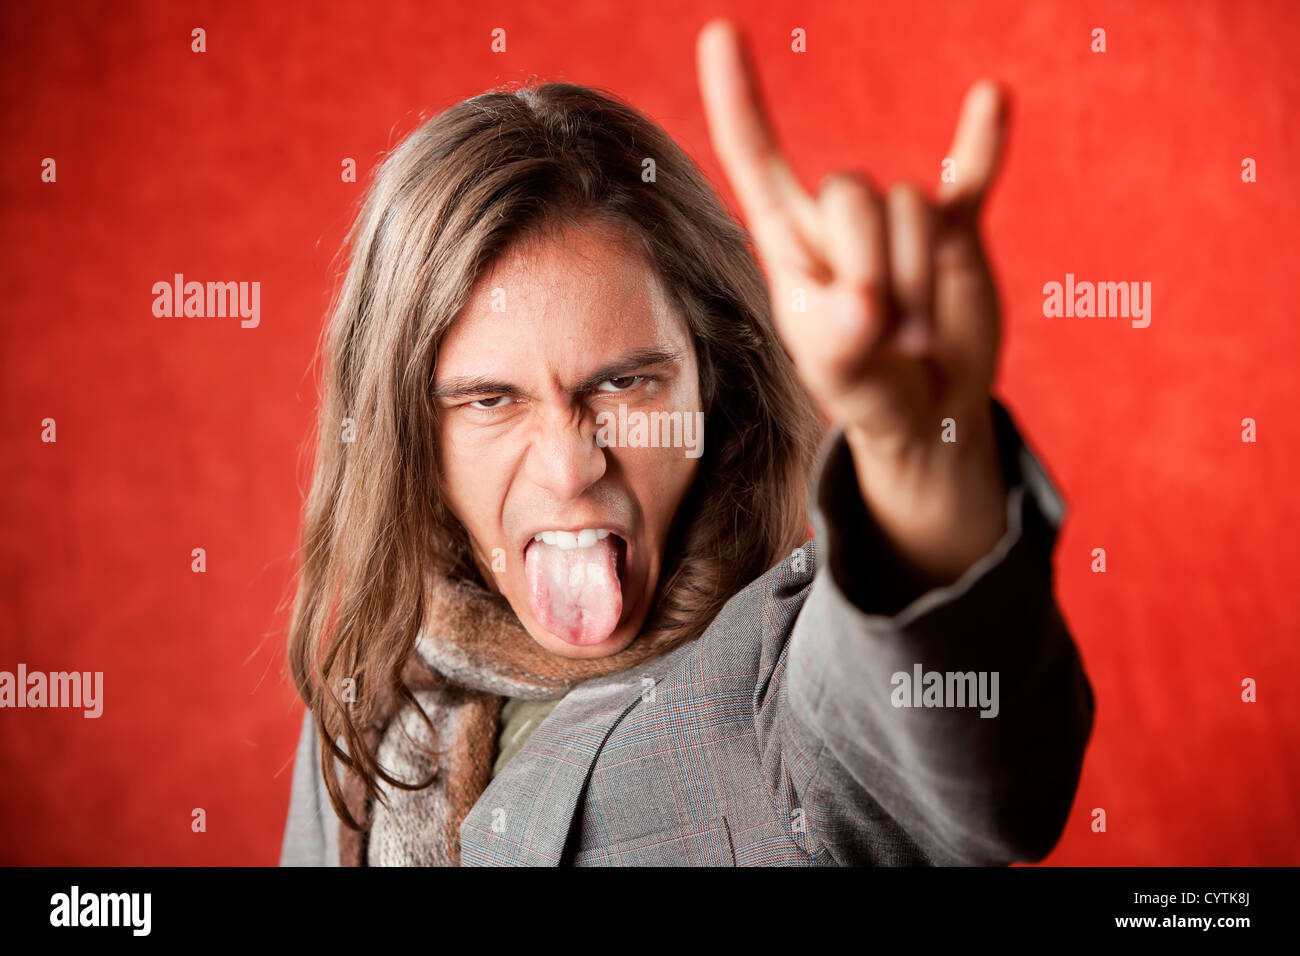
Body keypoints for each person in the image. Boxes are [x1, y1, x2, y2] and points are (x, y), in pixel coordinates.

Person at [279, 18, 1094, 866]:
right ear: (412, 437)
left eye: (624, 383)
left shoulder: (772, 701)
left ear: (717, 384)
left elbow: (961, 777)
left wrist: (916, 464)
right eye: (489, 400)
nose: (569, 469)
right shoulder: (372, 700)